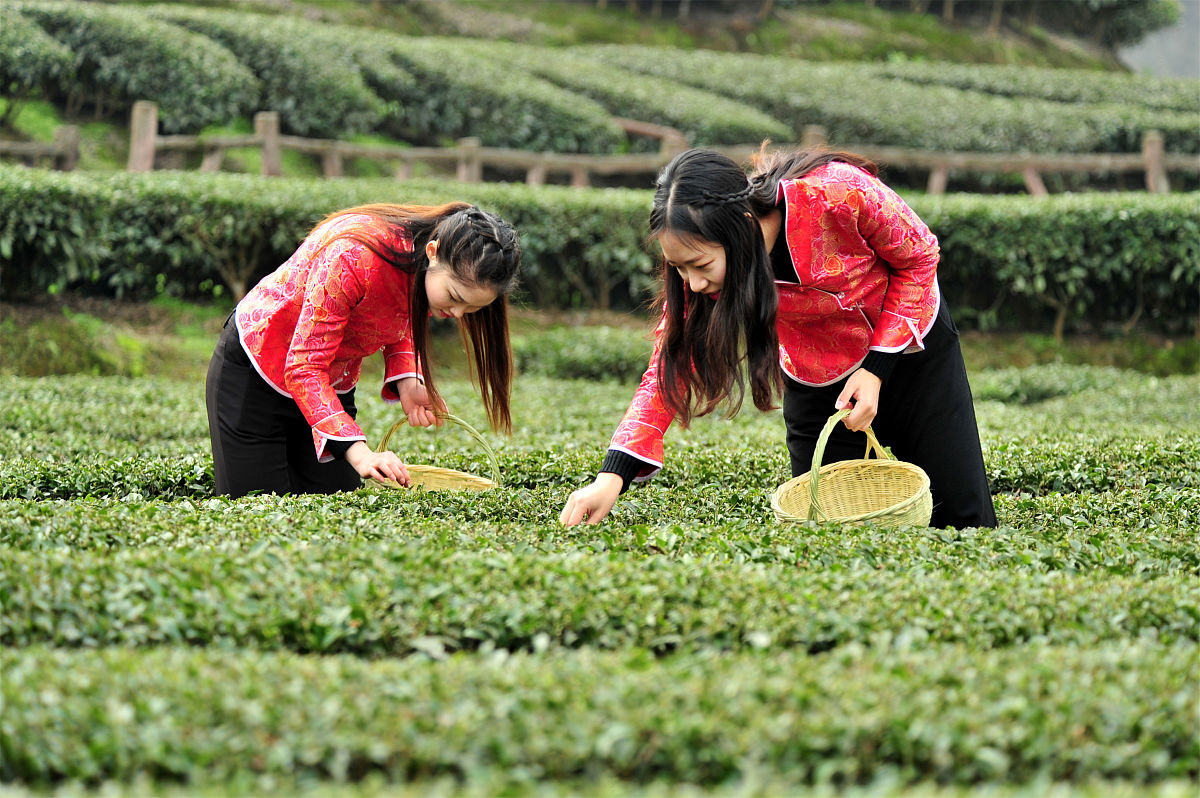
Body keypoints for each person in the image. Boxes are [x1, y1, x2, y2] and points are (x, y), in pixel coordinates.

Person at [560, 146, 996, 529]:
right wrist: (612, 476)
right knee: (827, 530)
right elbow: (667, 367)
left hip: (914, 355)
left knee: (962, 518)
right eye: (679, 268)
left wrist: (877, 368)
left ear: (742, 226)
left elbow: (920, 256)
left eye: (701, 265)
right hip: (820, 382)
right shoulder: (699, 282)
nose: (692, 283)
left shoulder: (838, 192)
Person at [206, 202, 520, 498]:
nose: (458, 314)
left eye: (472, 308)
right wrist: (361, 455)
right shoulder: (353, 257)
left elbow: (400, 316)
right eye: (454, 297)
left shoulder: (426, 272)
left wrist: (409, 383)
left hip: (329, 382)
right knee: (258, 505)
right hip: (257, 372)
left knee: (337, 504)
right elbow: (304, 367)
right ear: (433, 252)